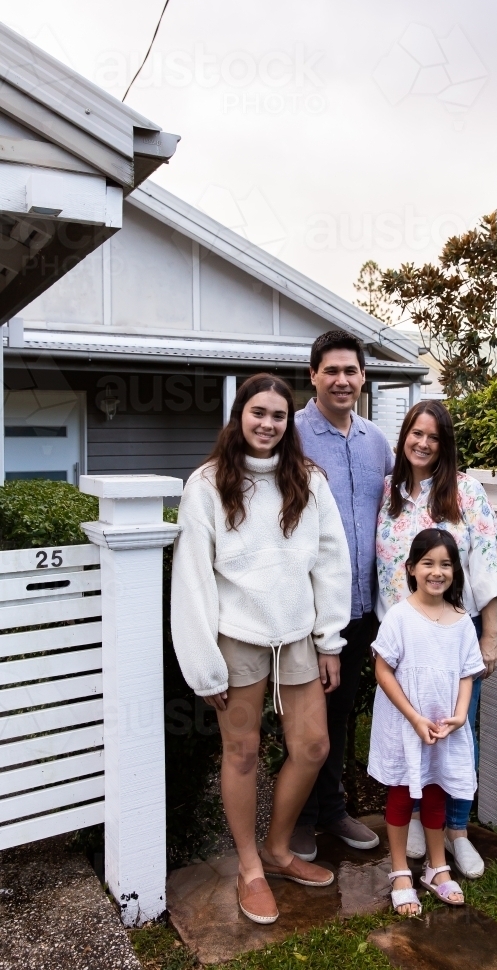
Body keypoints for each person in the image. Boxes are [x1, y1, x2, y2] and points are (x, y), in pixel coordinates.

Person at [171, 373, 352, 925]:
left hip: (297, 635)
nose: (268, 424)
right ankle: (249, 866)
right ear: (239, 416)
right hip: (238, 641)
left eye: (278, 415)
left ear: (288, 422)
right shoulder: (207, 483)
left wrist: (329, 640)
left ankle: (277, 850)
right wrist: (204, 666)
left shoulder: (308, 479)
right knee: (243, 753)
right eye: (258, 413)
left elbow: (330, 560)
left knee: (314, 746)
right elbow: (193, 577)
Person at [376, 400, 497, 878]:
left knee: (455, 730)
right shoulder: (390, 491)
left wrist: (491, 636)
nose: (423, 443)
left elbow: (489, 565)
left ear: (444, 444)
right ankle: (416, 816)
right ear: (404, 436)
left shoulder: (466, 494)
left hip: (456, 633)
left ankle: (456, 831)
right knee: (408, 729)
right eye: (416, 433)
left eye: (434, 436)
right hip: (403, 637)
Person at [292, 329, 394, 860]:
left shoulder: (378, 442)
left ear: (362, 377)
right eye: (330, 370)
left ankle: (332, 811)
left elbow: (406, 506)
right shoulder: (292, 437)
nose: (341, 380)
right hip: (309, 615)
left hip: (363, 611)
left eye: (350, 371)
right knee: (306, 721)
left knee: (339, 717)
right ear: (312, 375)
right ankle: (300, 820)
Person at [370, 529, 484, 915]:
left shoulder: (462, 620)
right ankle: (401, 870)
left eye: (446, 564)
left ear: (456, 571)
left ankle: (437, 868)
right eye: (429, 563)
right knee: (402, 794)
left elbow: (468, 673)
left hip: (444, 727)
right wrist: (415, 718)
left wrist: (458, 717)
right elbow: (382, 671)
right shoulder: (400, 616)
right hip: (408, 726)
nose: (438, 572)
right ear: (412, 569)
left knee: (438, 791)